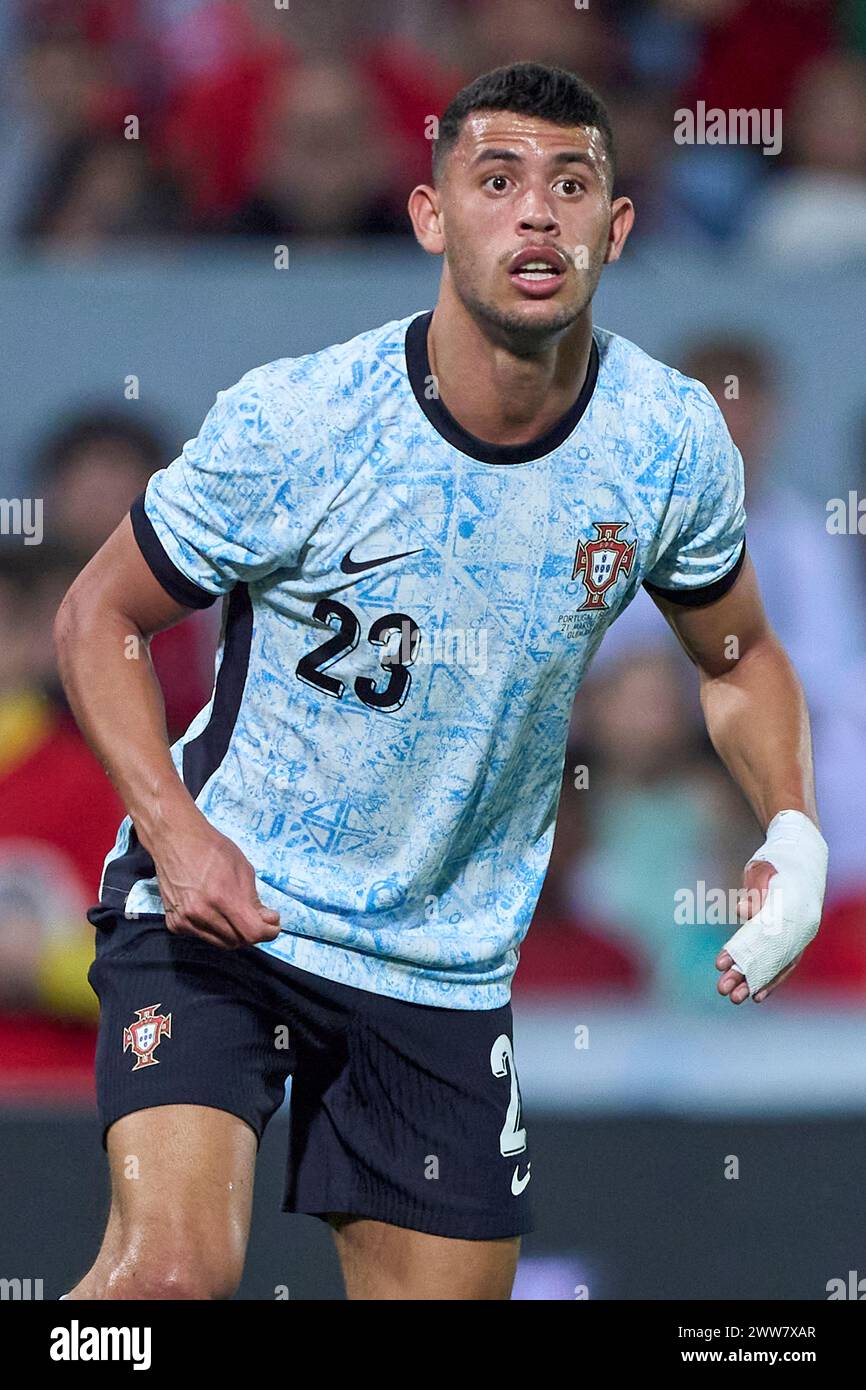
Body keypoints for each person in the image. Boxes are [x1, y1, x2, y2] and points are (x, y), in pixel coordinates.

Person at [54, 62, 828, 1302]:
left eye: (570, 185)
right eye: (497, 179)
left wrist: (793, 826)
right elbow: (100, 617)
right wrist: (175, 832)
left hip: (441, 965)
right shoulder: (300, 421)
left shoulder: (666, 442)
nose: (535, 213)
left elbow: (736, 657)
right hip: (228, 909)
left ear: (614, 232)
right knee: (166, 1282)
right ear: (430, 215)